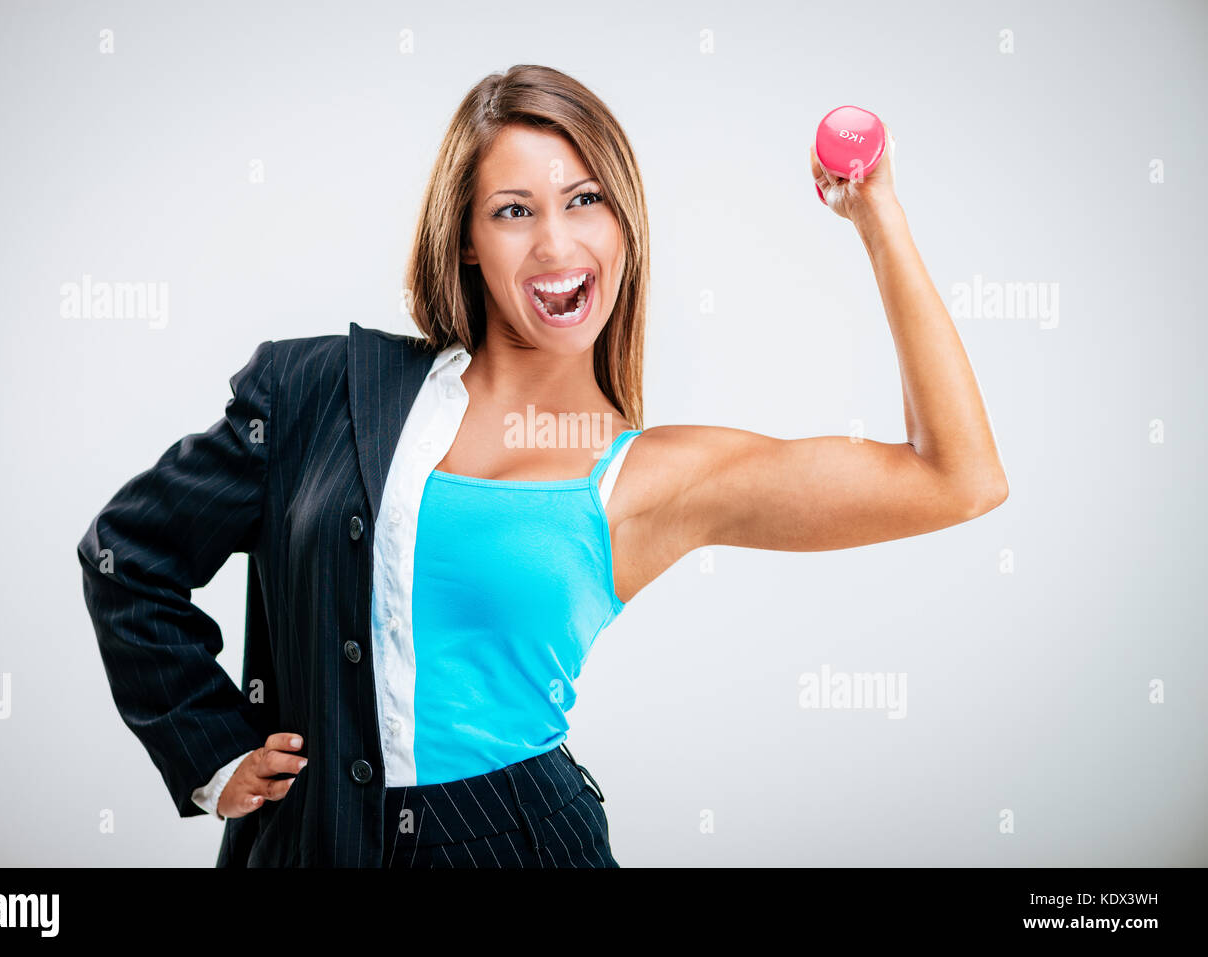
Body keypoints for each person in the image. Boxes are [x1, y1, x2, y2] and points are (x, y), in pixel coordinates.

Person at [77, 64, 1007, 868]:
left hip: (518, 834)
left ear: (624, 225)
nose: (557, 246)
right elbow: (130, 553)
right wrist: (210, 748)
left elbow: (957, 479)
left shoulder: (657, 477)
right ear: (469, 242)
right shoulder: (321, 389)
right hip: (309, 840)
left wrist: (875, 214)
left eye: (585, 199)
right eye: (513, 211)